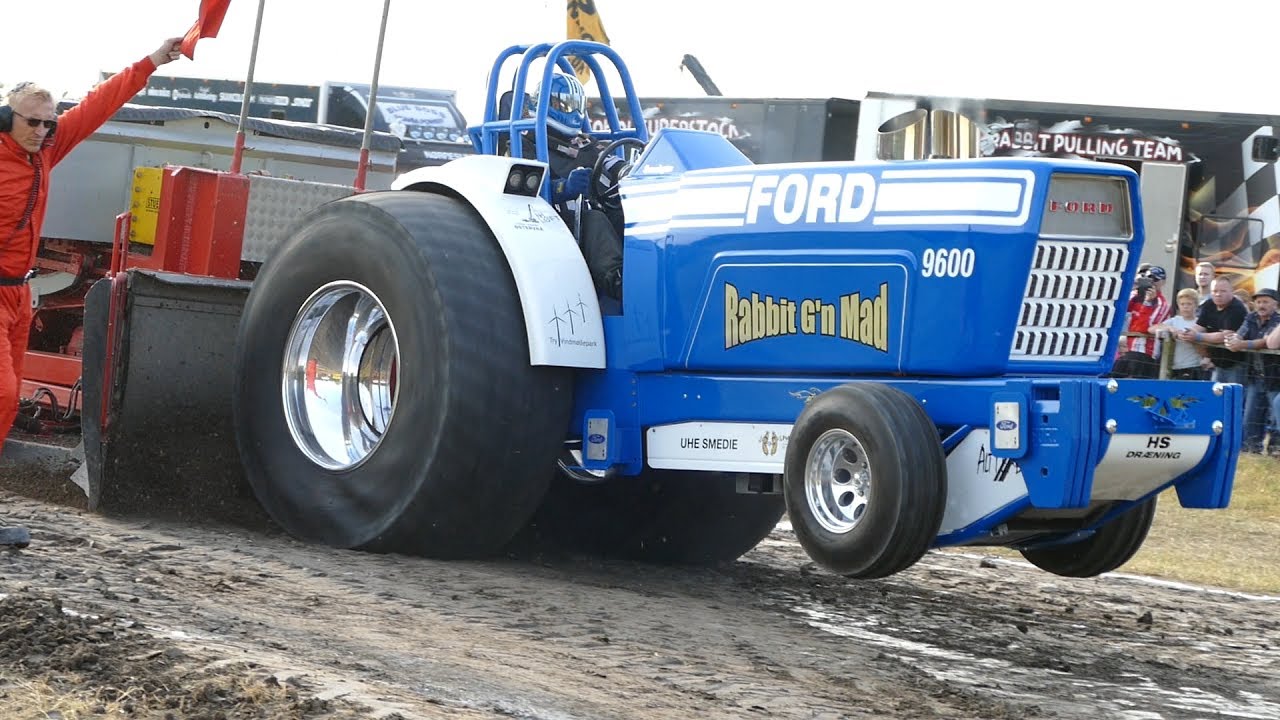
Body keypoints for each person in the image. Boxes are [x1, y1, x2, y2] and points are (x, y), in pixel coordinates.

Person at [1, 36, 186, 547]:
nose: (41, 131)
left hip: (19, 295)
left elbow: (101, 102)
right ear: (5, 119)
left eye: (48, 122)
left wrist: (152, 61)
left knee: (7, 402)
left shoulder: (48, 149)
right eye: (31, 122)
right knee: (1, 392)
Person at [522, 71, 627, 302]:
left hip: (584, 215)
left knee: (623, 213)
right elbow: (525, 192)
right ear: (546, 104)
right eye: (564, 103)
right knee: (596, 220)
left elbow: (612, 163)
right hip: (546, 224)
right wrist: (563, 188)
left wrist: (627, 172)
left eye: (575, 104)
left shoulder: (585, 143)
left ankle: (645, 271)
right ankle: (619, 283)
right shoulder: (525, 145)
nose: (571, 109)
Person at [1225, 288, 1280, 454]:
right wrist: (1233, 340)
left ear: (1276, 304)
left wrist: (1242, 345)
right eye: (1258, 301)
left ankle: (1274, 452)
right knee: (1250, 417)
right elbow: (1241, 333)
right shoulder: (1251, 317)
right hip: (1255, 375)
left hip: (1275, 376)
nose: (1261, 305)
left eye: (1265, 301)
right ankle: (1250, 451)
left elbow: (1266, 342)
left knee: (1276, 418)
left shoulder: (1278, 320)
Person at [1177, 277, 1248, 385]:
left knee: (1233, 397)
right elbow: (1199, 325)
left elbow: (1226, 335)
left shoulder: (1237, 308)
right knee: (1215, 395)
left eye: (1223, 291)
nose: (1218, 294)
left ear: (1231, 292)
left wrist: (1197, 337)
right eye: (1215, 291)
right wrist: (1187, 332)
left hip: (1237, 363)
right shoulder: (1209, 304)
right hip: (1217, 362)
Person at [1153, 288, 1210, 380]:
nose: (1185, 307)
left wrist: (1193, 340)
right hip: (1173, 366)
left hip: (1192, 366)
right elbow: (1152, 328)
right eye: (1182, 304)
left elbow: (1205, 351)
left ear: (1196, 305)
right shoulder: (1174, 321)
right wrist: (1170, 328)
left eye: (1189, 304)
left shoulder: (1200, 324)